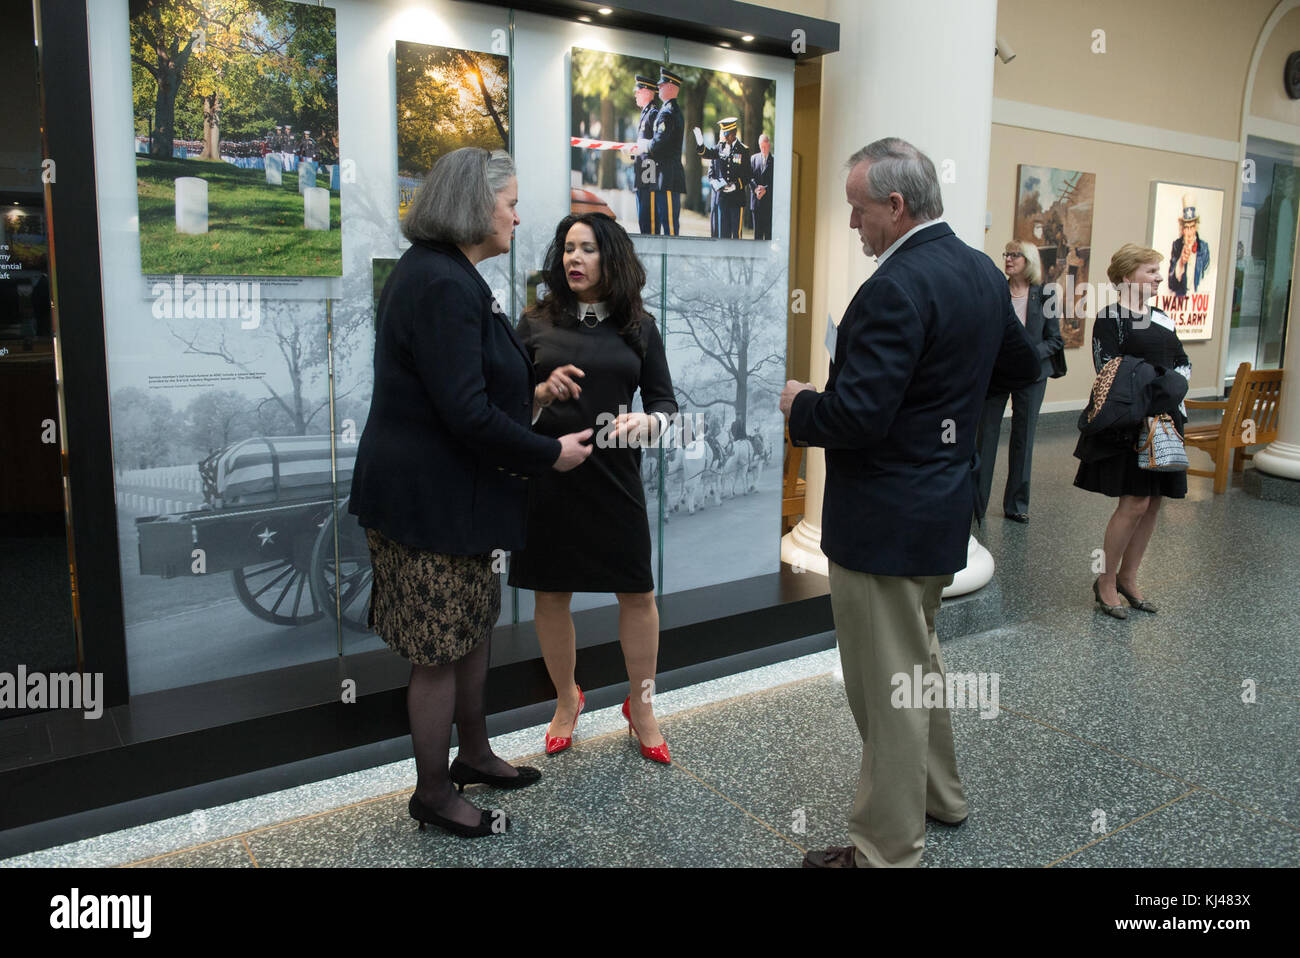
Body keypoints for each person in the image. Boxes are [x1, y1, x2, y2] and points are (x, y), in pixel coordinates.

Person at [780, 137, 1039, 868]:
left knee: (886, 687)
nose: (854, 226)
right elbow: (1023, 365)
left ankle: (885, 848)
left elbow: (856, 419)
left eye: (859, 212)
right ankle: (940, 795)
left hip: (884, 523)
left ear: (895, 207)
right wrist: (942, 417)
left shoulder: (893, 287)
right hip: (940, 508)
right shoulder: (981, 270)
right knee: (917, 662)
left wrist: (803, 405)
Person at [348, 148, 594, 838]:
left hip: (458, 500)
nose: (519, 215)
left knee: (470, 630)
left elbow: (468, 390)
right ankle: (432, 792)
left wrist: (535, 393)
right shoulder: (441, 283)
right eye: (510, 202)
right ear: (471, 205)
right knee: (437, 649)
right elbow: (464, 414)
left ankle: (475, 754)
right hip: (428, 505)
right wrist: (550, 451)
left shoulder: (452, 275)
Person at [509, 212, 679, 764]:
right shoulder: (534, 323)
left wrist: (648, 425)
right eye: (567, 248)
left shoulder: (639, 327)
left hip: (616, 481)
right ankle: (566, 700)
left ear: (612, 257)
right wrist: (539, 392)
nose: (573, 258)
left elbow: (664, 405)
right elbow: (502, 406)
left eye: (586, 248)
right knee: (552, 595)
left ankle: (642, 706)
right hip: (551, 478)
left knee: (638, 594)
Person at [1075, 244, 1191, 617]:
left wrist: (1167, 388)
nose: (1159, 277)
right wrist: (1158, 389)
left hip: (1166, 422)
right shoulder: (1111, 318)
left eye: (1159, 271)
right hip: (1131, 422)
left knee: (1154, 503)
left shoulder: (1164, 317)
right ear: (1127, 277)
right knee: (1134, 503)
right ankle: (1105, 582)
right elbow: (1110, 370)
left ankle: (1129, 577)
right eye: (1151, 271)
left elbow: (1183, 362)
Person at [975, 241, 1064, 523]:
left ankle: (1016, 505)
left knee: (1023, 438)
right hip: (998, 373)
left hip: (1032, 374)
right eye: (1007, 254)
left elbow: (1055, 340)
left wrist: (1027, 355)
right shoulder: (995, 289)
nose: (1009, 259)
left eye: (1016, 255)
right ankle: (976, 504)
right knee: (985, 437)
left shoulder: (1046, 294)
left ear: (1030, 261)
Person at [695, 117, 750, 239]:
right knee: (722, 235)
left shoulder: (743, 150)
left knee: (736, 235)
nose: (725, 137)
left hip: (737, 198)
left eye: (727, 134)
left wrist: (735, 185)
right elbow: (708, 154)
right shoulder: (720, 147)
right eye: (724, 134)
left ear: (734, 133)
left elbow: (747, 175)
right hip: (723, 199)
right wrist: (700, 144)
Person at [646, 68, 686, 235]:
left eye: (661, 85)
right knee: (664, 221)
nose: (659, 88)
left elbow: (660, 141)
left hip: (668, 175)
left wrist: (646, 146)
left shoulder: (669, 112)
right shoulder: (668, 110)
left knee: (669, 225)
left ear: (670, 87)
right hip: (664, 174)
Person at [628, 74, 659, 234]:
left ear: (646, 92)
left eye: (638, 91)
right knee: (643, 221)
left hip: (649, 174)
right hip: (642, 174)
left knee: (650, 223)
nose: (635, 94)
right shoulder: (645, 113)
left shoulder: (653, 114)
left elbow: (655, 147)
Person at [1168, 195, 1210, 296]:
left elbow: (1207, 278)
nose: (1190, 233)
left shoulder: (1203, 248)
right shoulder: (1177, 245)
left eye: (1192, 227)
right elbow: (1171, 284)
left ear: (1196, 227)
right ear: (1182, 230)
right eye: (1187, 228)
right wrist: (1181, 262)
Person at [749, 133, 774, 240]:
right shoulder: (753, 159)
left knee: (768, 235)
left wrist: (765, 189)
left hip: (769, 204)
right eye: (761, 146)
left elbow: (776, 180)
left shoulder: (774, 161)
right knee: (757, 236)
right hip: (756, 203)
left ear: (769, 145)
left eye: (765, 146)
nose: (763, 149)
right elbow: (749, 177)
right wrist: (756, 189)